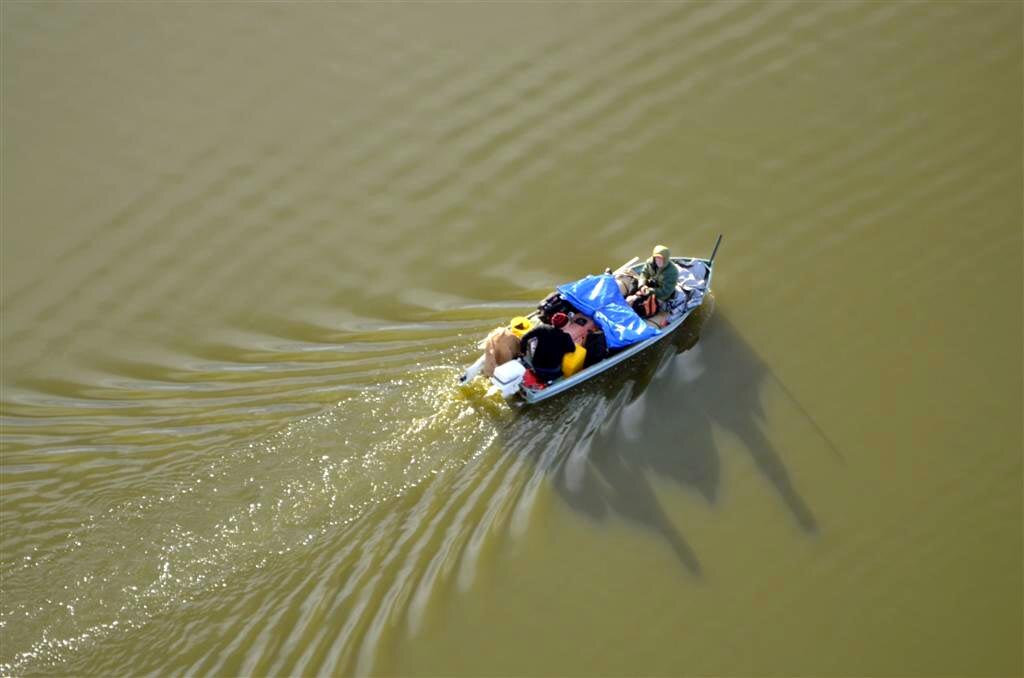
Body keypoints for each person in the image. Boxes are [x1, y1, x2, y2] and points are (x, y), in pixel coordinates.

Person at [518, 312, 576, 383]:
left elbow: (524, 338)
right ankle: (551, 380)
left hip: (536, 364)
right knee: (560, 372)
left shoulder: (542, 328)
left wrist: (523, 351)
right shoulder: (565, 337)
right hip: (552, 369)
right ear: (565, 325)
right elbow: (571, 349)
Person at [627, 244, 678, 314]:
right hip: (652, 285)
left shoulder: (672, 272)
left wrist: (650, 291)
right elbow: (644, 274)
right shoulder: (650, 263)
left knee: (644, 308)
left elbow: (666, 291)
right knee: (633, 284)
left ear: (665, 259)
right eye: (656, 258)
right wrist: (642, 285)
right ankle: (632, 298)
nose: (658, 261)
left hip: (662, 295)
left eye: (661, 258)